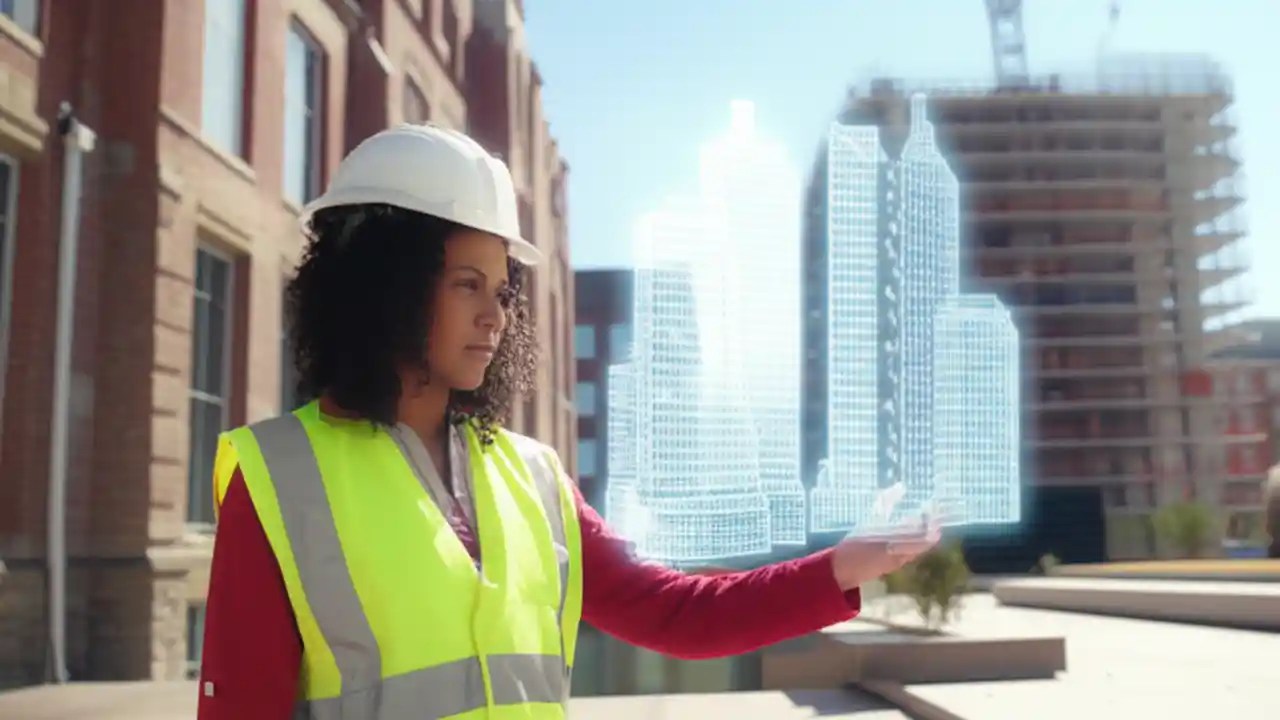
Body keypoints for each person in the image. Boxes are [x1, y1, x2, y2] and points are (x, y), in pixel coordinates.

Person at [196, 124, 940, 720]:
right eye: (466, 285)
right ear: (385, 285)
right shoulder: (277, 478)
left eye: (502, 289)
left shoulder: (532, 476)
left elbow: (675, 614)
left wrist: (842, 566)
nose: (496, 314)